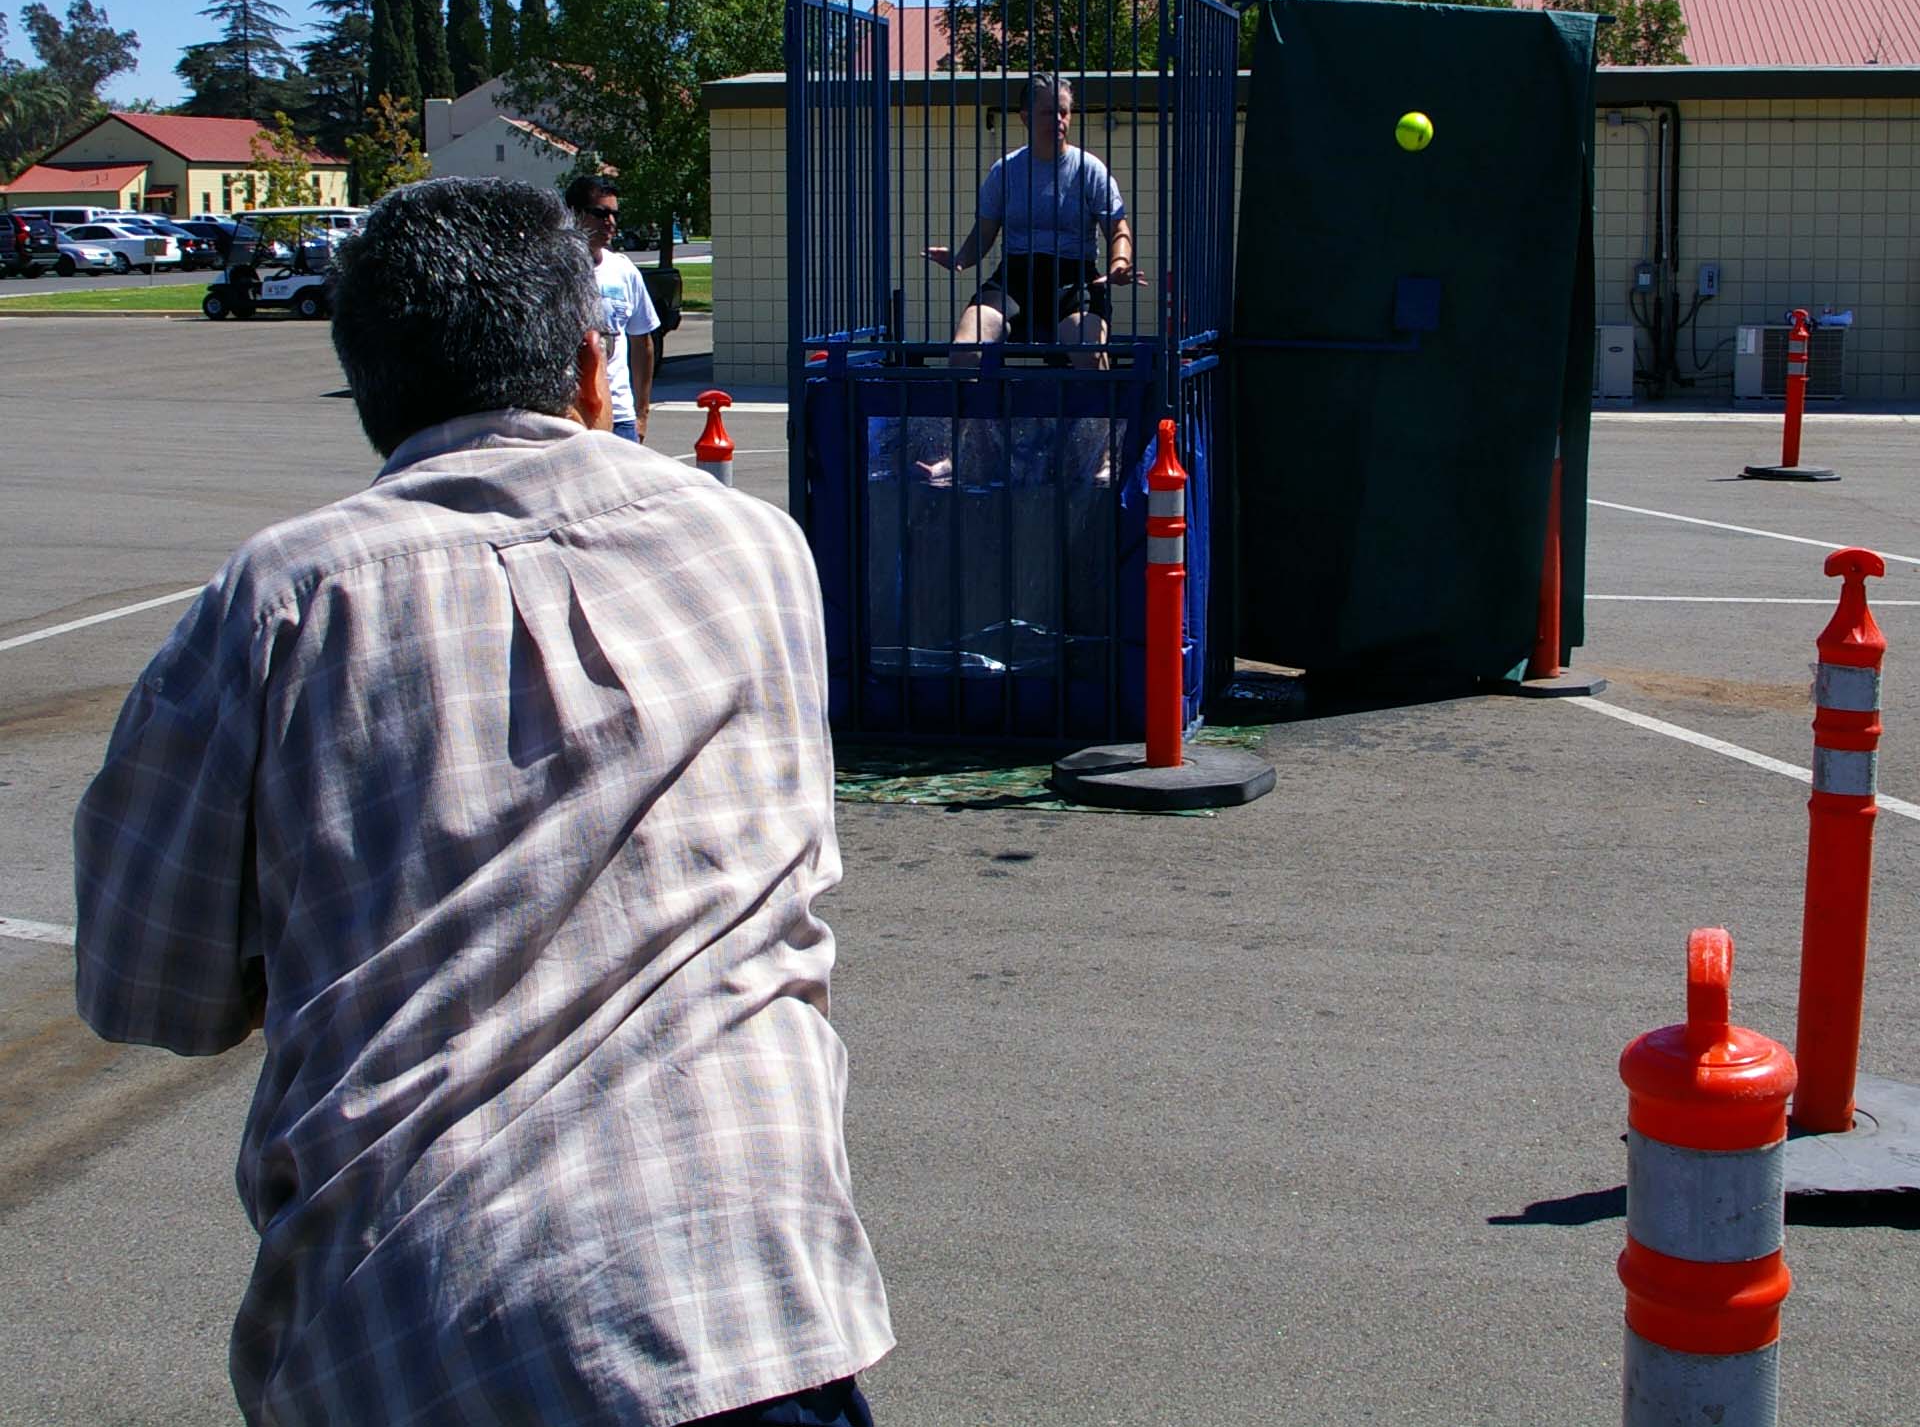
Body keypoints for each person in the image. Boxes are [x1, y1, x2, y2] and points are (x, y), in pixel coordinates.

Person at [72, 177, 893, 1426]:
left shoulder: (285, 599)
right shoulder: (753, 548)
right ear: (586, 361)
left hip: (410, 1339)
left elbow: (146, 985)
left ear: (372, 393)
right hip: (752, 1312)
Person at [926, 72, 1141, 372]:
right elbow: (984, 231)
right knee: (964, 353)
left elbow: (1118, 228)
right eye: (1048, 112)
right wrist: (961, 258)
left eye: (1064, 112)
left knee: (1091, 357)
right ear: (1026, 118)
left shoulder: (1091, 170)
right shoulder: (1005, 171)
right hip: (1015, 279)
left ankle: (1096, 420)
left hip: (1074, 277)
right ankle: (976, 420)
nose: (1058, 120)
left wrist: (1119, 262)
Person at [566, 172, 659, 441]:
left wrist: (641, 414)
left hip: (619, 417)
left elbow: (643, 343)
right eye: (601, 213)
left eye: (614, 214)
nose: (611, 223)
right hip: (569, 416)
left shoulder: (624, 271)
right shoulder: (552, 272)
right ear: (573, 214)